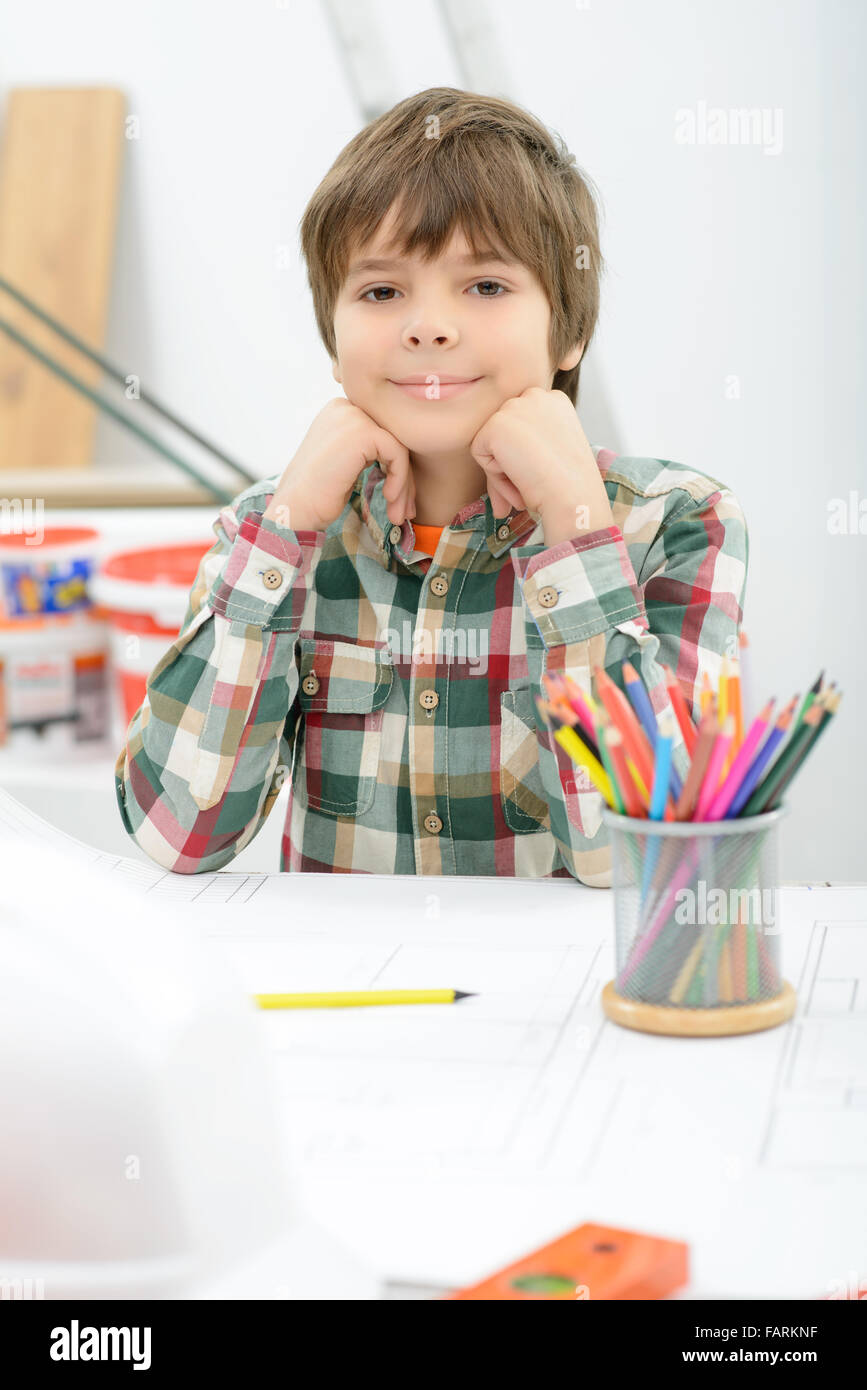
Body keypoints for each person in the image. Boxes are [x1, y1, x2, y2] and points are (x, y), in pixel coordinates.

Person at [115, 87, 747, 881]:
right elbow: (180, 835)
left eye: (485, 285)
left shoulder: (681, 522)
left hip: (574, 998)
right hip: (350, 998)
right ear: (333, 338)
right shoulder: (268, 532)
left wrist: (578, 534)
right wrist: (285, 532)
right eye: (381, 292)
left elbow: (653, 862)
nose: (428, 326)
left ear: (571, 329)